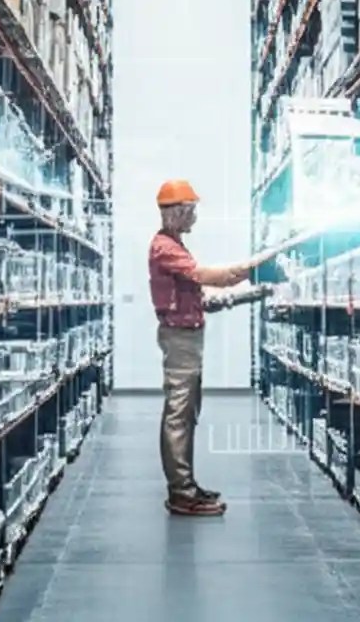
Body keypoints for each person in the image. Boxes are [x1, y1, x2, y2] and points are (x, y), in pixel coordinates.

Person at [149, 179, 253, 516]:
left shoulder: (175, 244)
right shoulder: (165, 247)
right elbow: (205, 275)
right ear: (177, 212)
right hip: (180, 339)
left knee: (187, 411)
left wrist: (232, 296)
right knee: (179, 414)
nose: (194, 216)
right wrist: (243, 271)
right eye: (191, 210)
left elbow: (191, 290)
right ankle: (182, 493)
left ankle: (187, 484)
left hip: (187, 336)